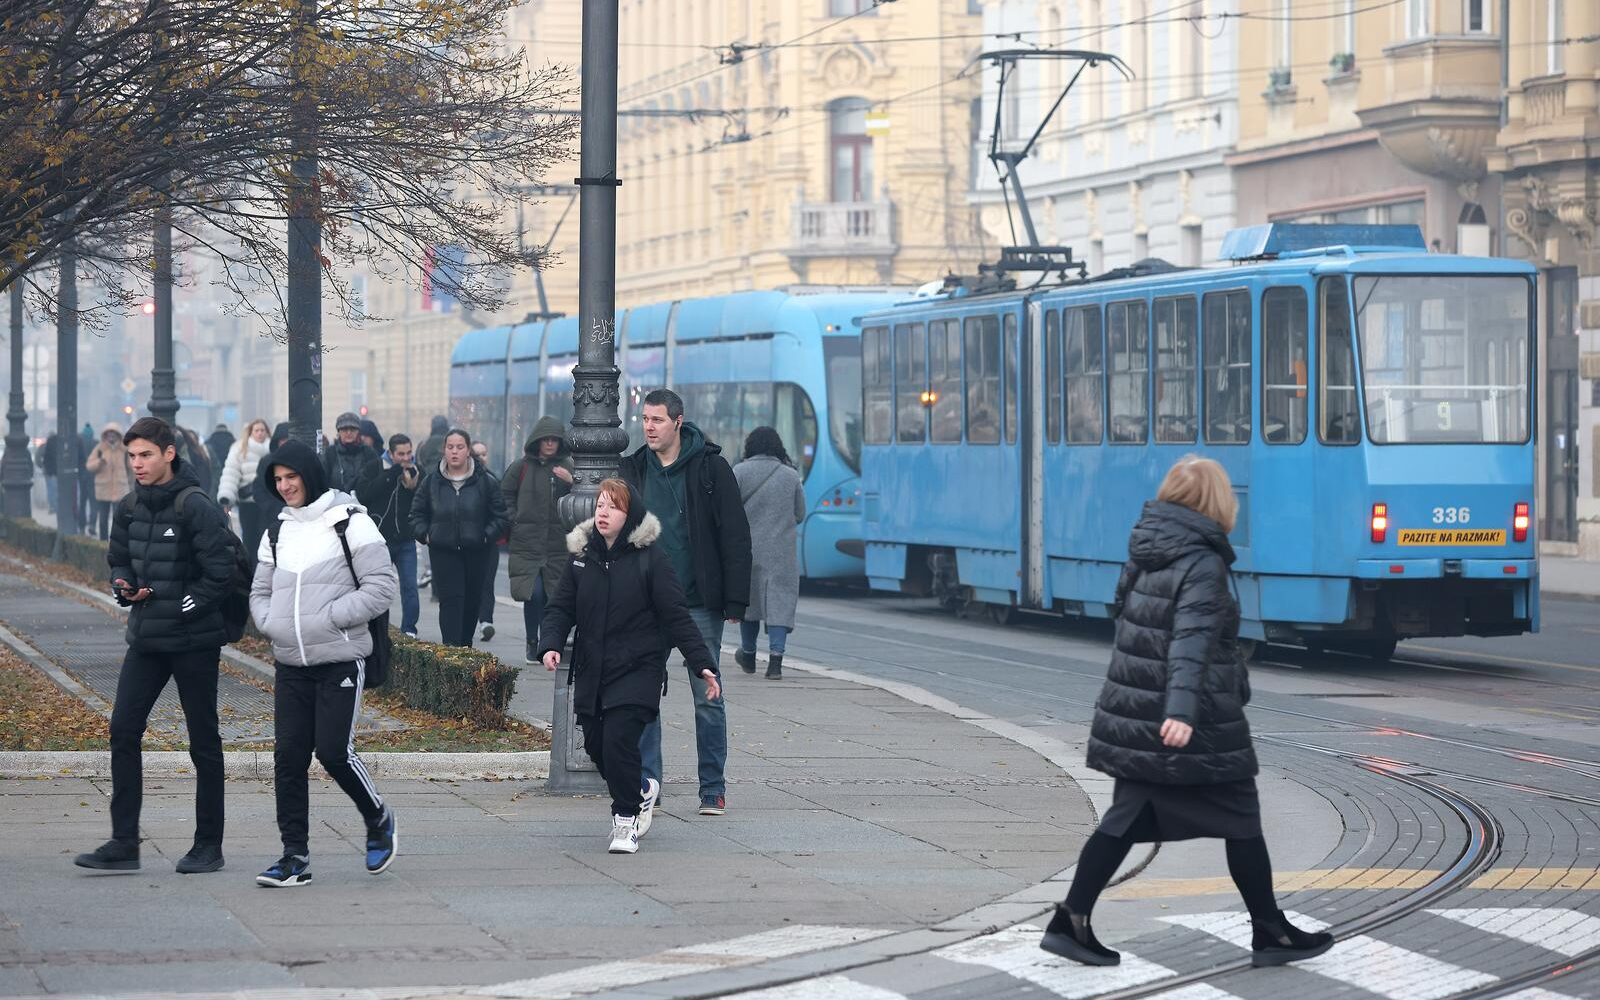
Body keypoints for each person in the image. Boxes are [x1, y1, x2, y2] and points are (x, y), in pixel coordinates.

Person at [1040, 456, 1335, 969]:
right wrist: (1180, 711)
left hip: (1140, 711)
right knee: (1237, 814)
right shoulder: (1202, 561)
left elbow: (1132, 622)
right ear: (1217, 502)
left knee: (1140, 817)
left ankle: (1074, 919)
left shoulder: (1148, 549)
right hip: (1187, 719)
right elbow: (1191, 640)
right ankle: (1267, 930)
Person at [75, 417, 233, 875]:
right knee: (123, 729)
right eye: (132, 456)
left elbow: (219, 572)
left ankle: (209, 846)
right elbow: (118, 559)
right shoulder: (128, 506)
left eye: (145, 455)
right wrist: (123, 585)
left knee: (203, 740)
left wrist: (184, 606)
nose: (137, 464)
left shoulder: (196, 505)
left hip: (193, 641)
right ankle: (124, 842)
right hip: (146, 638)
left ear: (169, 453)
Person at [538, 479, 720, 854]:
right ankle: (640, 790)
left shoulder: (651, 559)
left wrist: (702, 663)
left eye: (612, 507)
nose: (602, 512)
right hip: (592, 668)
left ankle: (625, 821)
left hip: (638, 668)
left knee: (620, 739)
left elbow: (677, 617)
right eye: (600, 505)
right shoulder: (580, 558)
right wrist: (551, 643)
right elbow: (560, 608)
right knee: (596, 745)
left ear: (630, 515)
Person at [250, 440, 398, 887]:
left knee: (333, 752)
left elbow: (381, 586)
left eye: (290, 477)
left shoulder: (349, 521)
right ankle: (294, 856)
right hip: (290, 661)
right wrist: (270, 622)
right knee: (288, 758)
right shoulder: (277, 530)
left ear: (310, 474)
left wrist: (331, 618)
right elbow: (258, 592)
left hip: (339, 658)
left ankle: (378, 820)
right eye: (277, 479)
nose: (284, 486)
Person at [619, 389, 751, 816]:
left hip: (698, 603)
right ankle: (647, 786)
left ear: (678, 421)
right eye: (644, 419)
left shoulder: (710, 469)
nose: (649, 427)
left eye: (657, 420)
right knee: (643, 698)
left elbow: (734, 534)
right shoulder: (634, 470)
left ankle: (712, 788)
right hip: (647, 604)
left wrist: (735, 600)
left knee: (707, 696)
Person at [410, 429, 508, 647]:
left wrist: (485, 536)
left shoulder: (485, 482)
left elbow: (501, 516)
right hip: (443, 551)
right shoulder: (431, 482)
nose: (454, 452)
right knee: (450, 601)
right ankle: (452, 648)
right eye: (450, 447)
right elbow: (417, 513)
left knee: (472, 601)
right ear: (444, 450)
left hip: (476, 551)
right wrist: (426, 534)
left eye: (460, 447)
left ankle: (464, 645)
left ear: (468, 451)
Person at [731, 428, 804, 681]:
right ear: (777, 446)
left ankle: (749, 654)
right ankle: (775, 662)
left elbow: (729, 510)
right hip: (782, 553)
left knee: (749, 602)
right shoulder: (790, 476)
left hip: (749, 551)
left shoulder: (739, 472)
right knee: (780, 603)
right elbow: (800, 513)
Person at [502, 417, 574, 665]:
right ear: (538, 441)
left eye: (554, 440)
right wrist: (515, 520)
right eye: (546, 440)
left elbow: (585, 497)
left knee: (554, 598)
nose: (550, 444)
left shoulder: (568, 466)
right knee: (533, 594)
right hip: (527, 544)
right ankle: (533, 639)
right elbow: (505, 495)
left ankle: (549, 643)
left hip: (558, 545)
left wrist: (570, 481)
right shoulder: (520, 467)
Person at [358, 433, 422, 637]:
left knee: (410, 586)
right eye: (401, 454)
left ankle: (409, 629)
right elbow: (364, 493)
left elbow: (423, 498)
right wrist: (392, 473)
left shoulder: (416, 471)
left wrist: (413, 484)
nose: (406, 458)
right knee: (379, 588)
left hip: (405, 540)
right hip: (381, 540)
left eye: (409, 453)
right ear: (391, 453)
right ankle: (377, 629)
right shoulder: (375, 467)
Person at [218, 419, 273, 559]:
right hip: (247, 502)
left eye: (263, 430)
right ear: (251, 432)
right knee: (249, 537)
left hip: (267, 503)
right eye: (257, 430)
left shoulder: (273, 450)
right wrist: (226, 497)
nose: (260, 433)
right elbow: (231, 474)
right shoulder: (239, 450)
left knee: (265, 537)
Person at [471, 440, 501, 642]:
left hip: (488, 541)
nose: (482, 458)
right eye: (478, 454)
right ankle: (473, 621)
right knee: (471, 585)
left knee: (487, 583)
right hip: (467, 543)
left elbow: (500, 511)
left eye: (484, 453)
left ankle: (486, 622)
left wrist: (491, 531)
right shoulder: (465, 481)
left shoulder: (492, 480)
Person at [83, 422, 132, 540]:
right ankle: (103, 541)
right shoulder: (100, 448)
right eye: (109, 433)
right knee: (103, 519)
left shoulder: (124, 450)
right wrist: (99, 462)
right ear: (105, 435)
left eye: (113, 433)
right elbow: (89, 465)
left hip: (120, 489)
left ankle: (118, 541)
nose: (111, 435)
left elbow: (132, 467)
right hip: (103, 489)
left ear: (118, 435)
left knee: (119, 519)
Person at [323, 412, 378, 495]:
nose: (349, 433)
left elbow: (376, 480)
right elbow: (323, 481)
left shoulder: (369, 453)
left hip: (363, 503)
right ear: (339, 432)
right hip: (336, 504)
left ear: (358, 432)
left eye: (352, 429)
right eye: (344, 429)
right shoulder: (330, 453)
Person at [255, 423, 293, 529]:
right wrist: (270, 508)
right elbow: (258, 488)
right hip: (271, 518)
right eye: (282, 440)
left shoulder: (299, 461)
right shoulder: (266, 462)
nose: (285, 443)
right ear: (277, 441)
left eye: (288, 439)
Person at [205, 423, 235, 496]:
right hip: (229, 469)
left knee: (215, 490)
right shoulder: (232, 439)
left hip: (214, 470)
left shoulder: (210, 440)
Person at [77, 422, 97, 531]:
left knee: (82, 502)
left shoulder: (79, 443)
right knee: (94, 502)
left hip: (82, 476)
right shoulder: (96, 444)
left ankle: (82, 526)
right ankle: (92, 524)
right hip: (93, 477)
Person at [38, 431, 59, 514]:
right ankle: (56, 506)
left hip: (47, 471)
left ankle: (52, 506)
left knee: (50, 489)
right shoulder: (57, 446)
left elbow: (37, 457)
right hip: (55, 471)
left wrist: (42, 466)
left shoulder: (43, 446)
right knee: (55, 489)